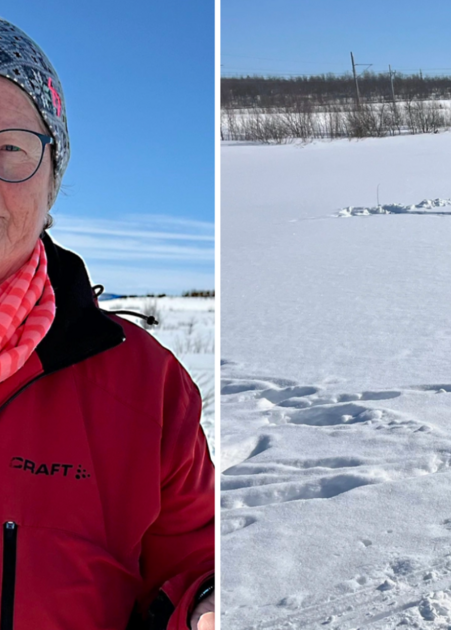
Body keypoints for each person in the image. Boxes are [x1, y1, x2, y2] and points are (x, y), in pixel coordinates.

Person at [0, 19, 214, 630]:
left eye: (8, 148)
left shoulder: (149, 389)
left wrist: (208, 601)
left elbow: (197, 555)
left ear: (53, 179)